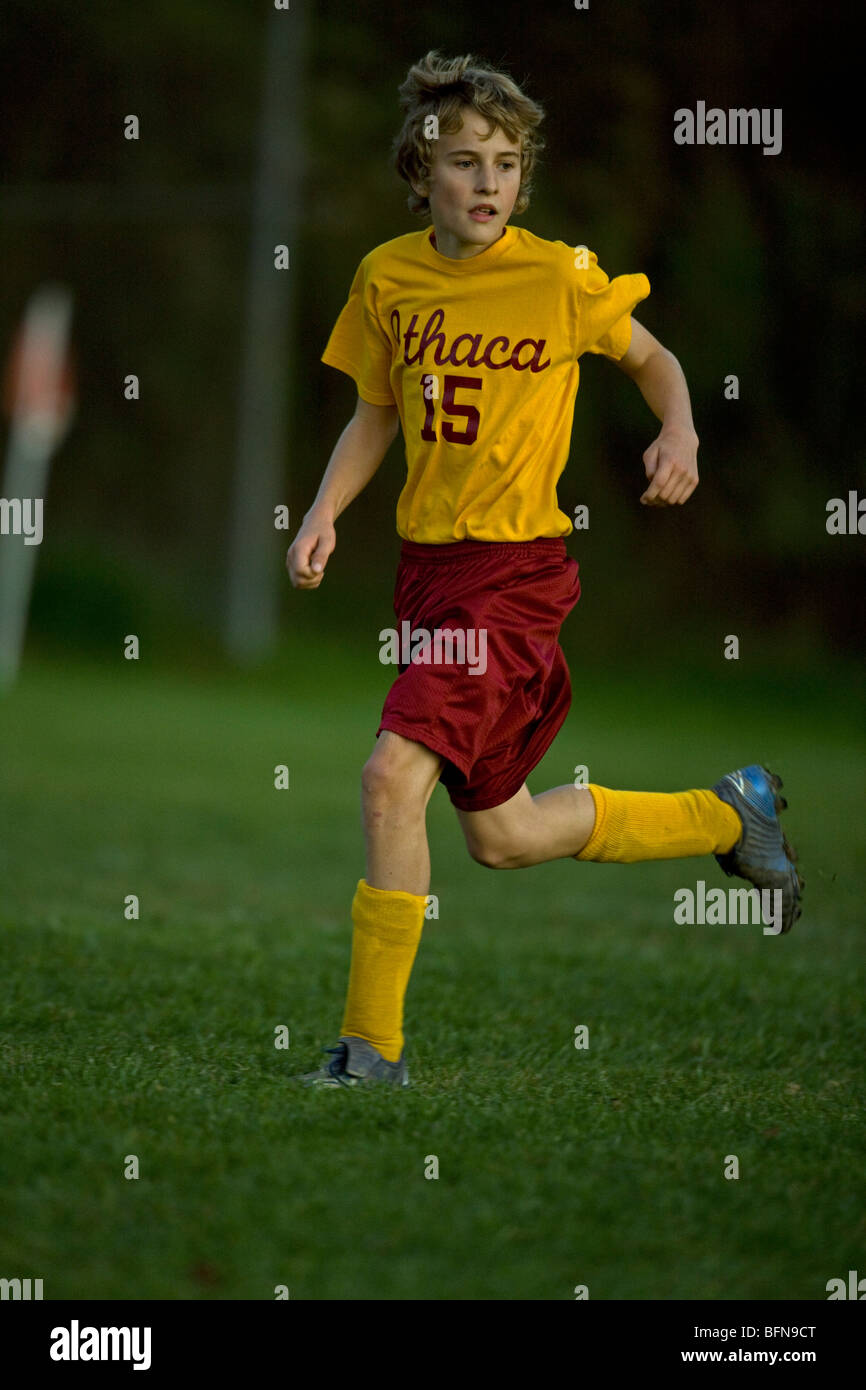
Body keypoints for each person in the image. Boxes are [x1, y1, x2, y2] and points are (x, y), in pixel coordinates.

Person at [286, 50, 802, 1089]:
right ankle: (725, 812)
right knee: (504, 835)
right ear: (418, 168)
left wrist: (681, 434)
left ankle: (368, 1051)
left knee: (390, 779)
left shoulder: (558, 276)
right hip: (428, 581)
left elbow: (651, 358)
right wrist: (322, 511)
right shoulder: (386, 278)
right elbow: (375, 412)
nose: (487, 182)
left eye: (507, 164)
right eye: (465, 160)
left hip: (512, 579)